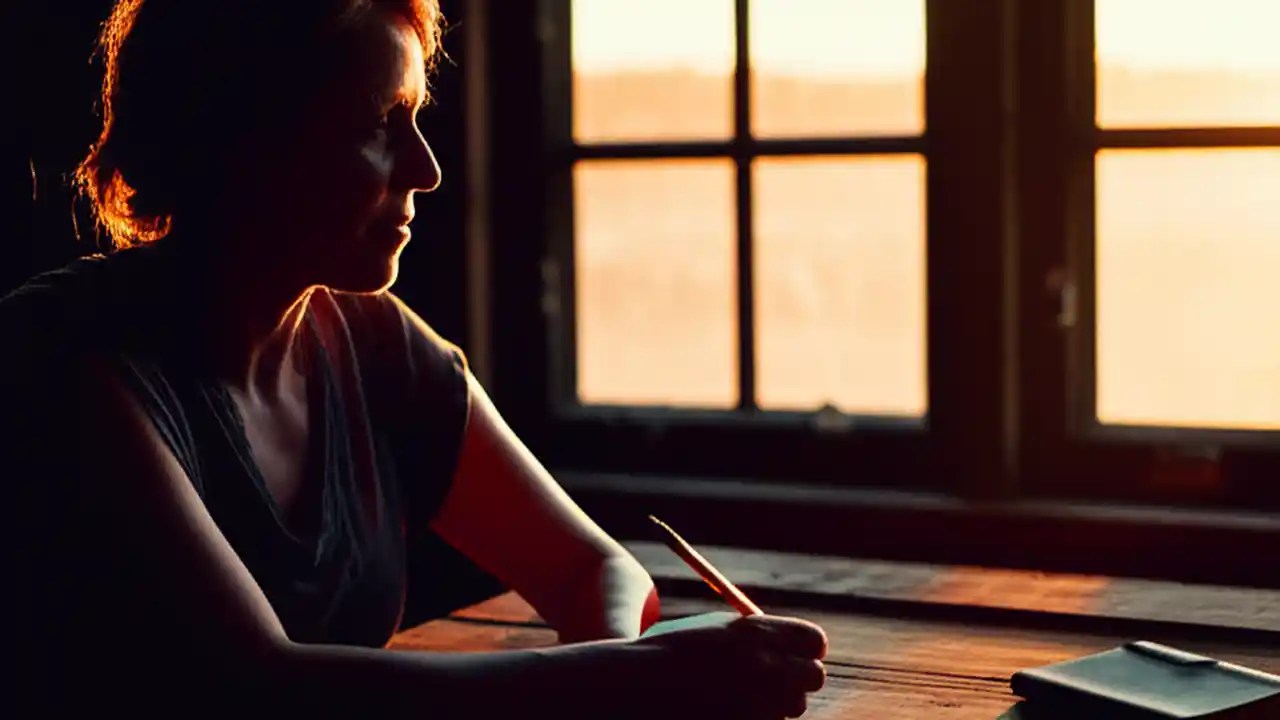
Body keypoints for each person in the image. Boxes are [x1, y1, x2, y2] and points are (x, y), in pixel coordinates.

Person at [0, 0, 827, 717]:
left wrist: (612, 670)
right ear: (245, 132)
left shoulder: (377, 347)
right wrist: (629, 678)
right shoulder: (65, 360)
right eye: (378, 124)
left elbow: (590, 567)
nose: (427, 169)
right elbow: (261, 690)